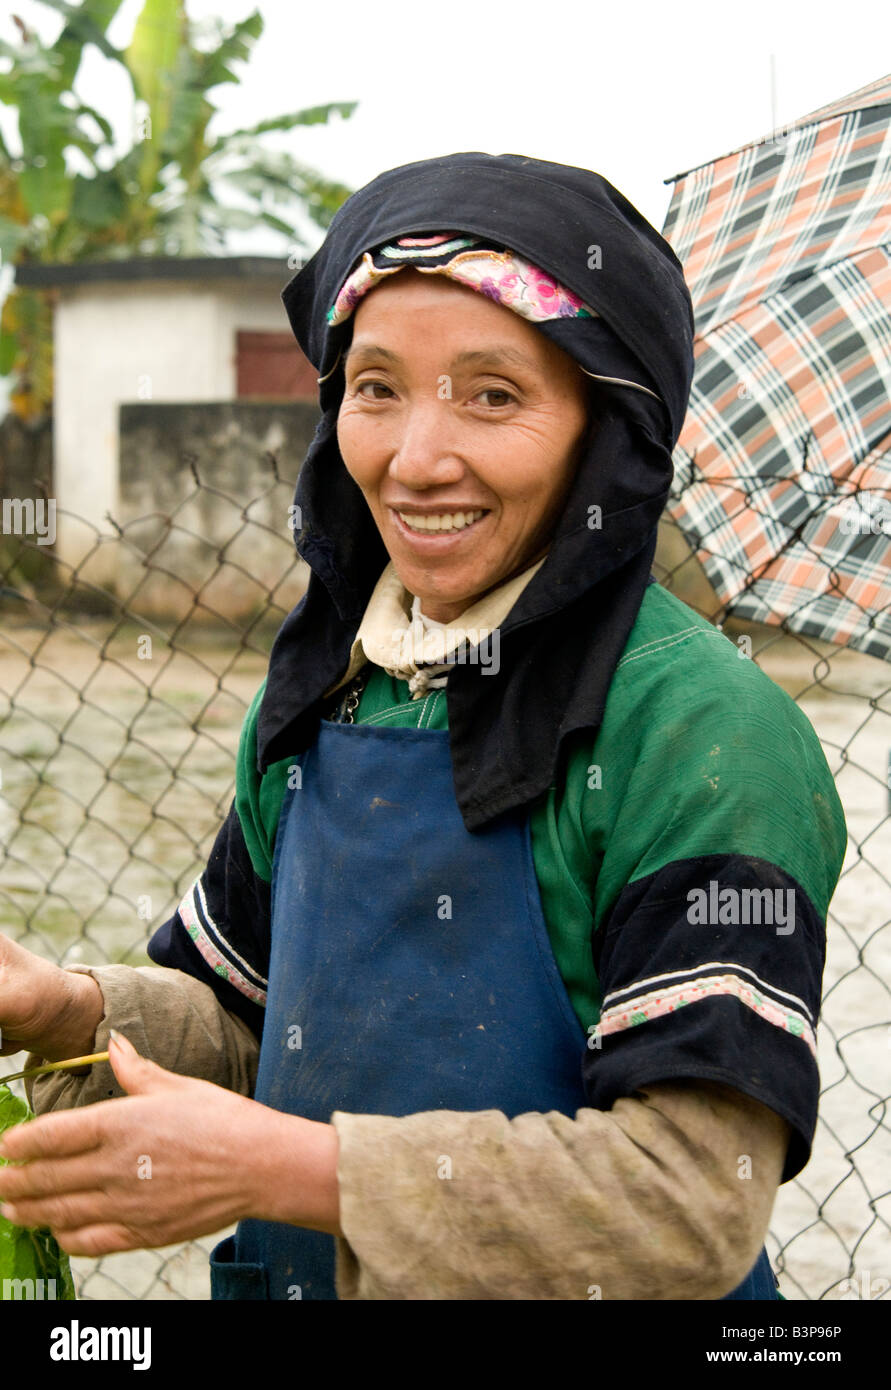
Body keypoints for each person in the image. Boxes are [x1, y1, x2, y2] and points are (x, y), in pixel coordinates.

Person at [0, 153, 846, 1301]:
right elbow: (254, 1021)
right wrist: (71, 1011)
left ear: (602, 435)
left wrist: (300, 1168)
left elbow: (689, 1197)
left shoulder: (702, 733)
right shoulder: (329, 687)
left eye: (493, 394)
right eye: (377, 386)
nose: (415, 459)